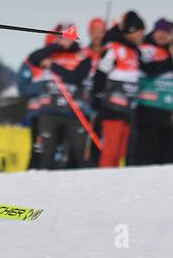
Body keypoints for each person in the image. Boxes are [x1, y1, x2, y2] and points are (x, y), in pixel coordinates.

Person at [22, 24, 94, 170]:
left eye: (69, 37)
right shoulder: (51, 53)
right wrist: (56, 45)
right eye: (63, 37)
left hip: (74, 113)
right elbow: (32, 58)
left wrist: (53, 66)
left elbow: (76, 78)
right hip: (49, 112)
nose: (66, 40)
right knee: (47, 153)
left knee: (78, 152)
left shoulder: (83, 55)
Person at [93, 11, 157, 168]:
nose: (143, 35)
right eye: (140, 31)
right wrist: (97, 96)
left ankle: (117, 181)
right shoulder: (114, 48)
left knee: (123, 150)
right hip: (112, 107)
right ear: (131, 31)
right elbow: (100, 73)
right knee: (112, 148)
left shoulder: (135, 51)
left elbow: (149, 69)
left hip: (129, 107)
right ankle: (105, 180)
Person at [132, 19, 173, 165]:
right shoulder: (145, 47)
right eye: (159, 31)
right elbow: (148, 69)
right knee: (147, 150)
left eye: (167, 32)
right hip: (147, 106)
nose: (162, 35)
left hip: (168, 110)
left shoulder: (169, 50)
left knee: (167, 153)